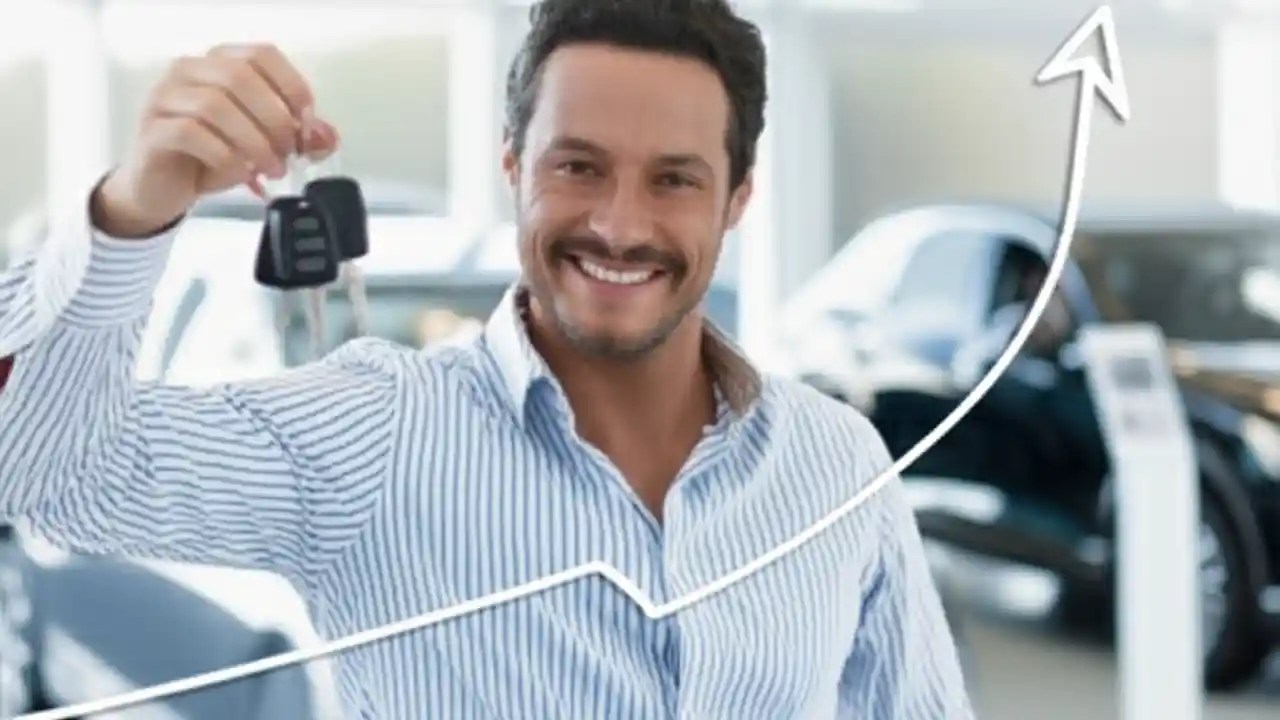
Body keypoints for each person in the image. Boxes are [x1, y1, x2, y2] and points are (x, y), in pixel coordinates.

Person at [0, 1, 972, 717]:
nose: (620, 225)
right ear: (513, 168)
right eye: (576, 166)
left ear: (735, 199)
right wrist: (134, 212)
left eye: (673, 180)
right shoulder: (377, 436)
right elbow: (36, 471)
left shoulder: (836, 466)